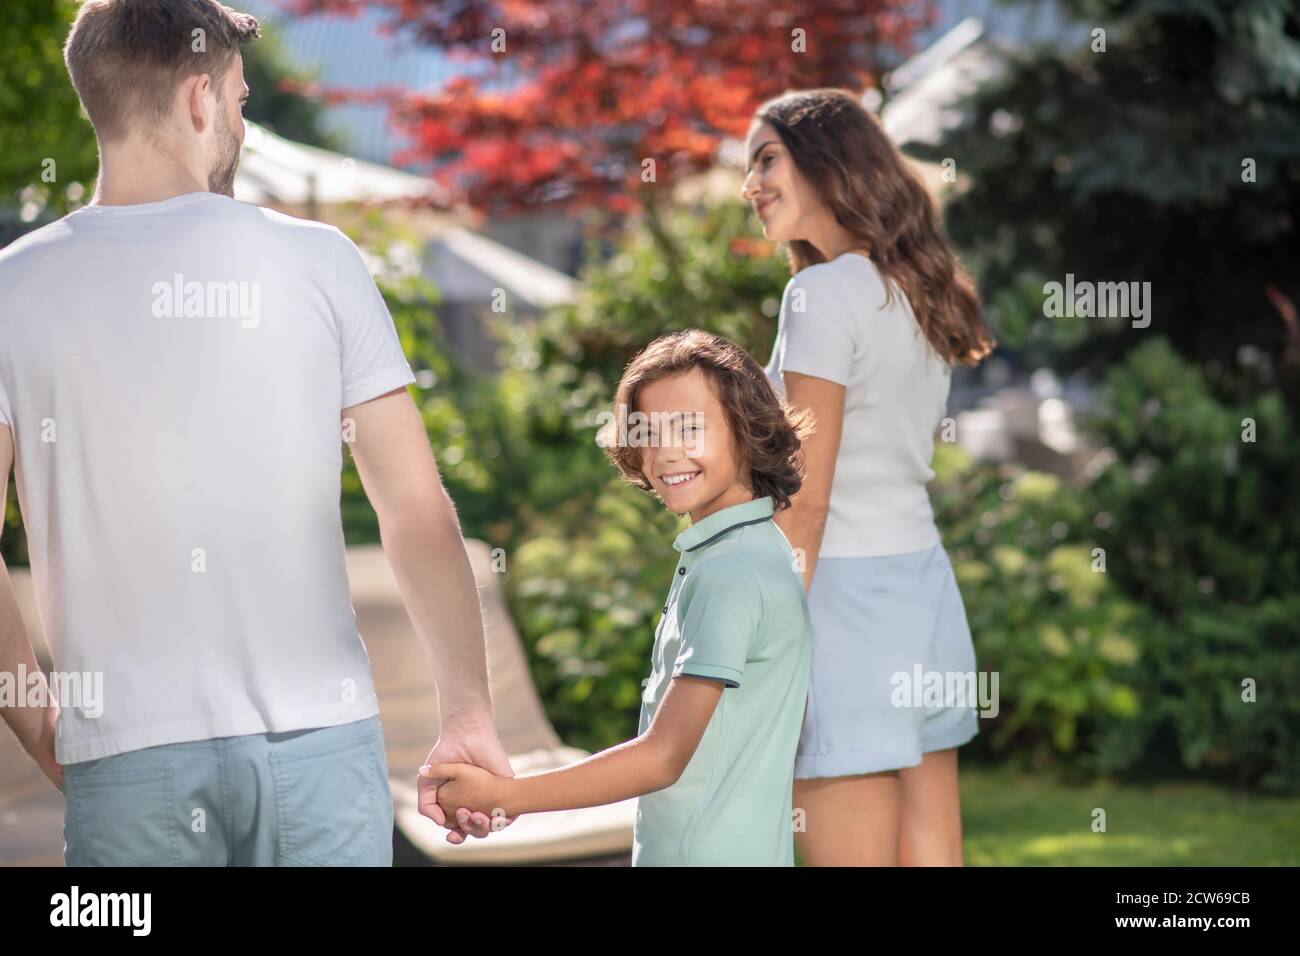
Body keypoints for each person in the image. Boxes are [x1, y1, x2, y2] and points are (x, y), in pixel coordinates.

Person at [0, 0, 508, 865]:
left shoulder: (13, 287)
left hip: (128, 760)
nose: (240, 118)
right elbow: (417, 508)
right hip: (323, 748)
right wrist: (467, 715)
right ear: (200, 99)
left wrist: (38, 717)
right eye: (240, 100)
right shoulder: (322, 261)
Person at [424, 330, 814, 865]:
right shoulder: (751, 547)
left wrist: (505, 797)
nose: (665, 452)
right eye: (649, 433)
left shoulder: (729, 572)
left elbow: (662, 758)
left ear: (748, 432)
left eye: (690, 428)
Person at [740, 88, 996, 865]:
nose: (749, 184)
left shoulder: (819, 293)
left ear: (828, 160)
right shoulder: (918, 289)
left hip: (841, 604)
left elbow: (807, 499)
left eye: (766, 158)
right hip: (922, 591)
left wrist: (758, 631)